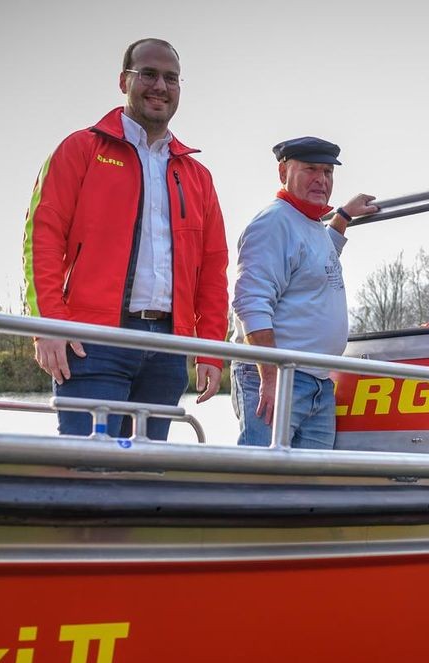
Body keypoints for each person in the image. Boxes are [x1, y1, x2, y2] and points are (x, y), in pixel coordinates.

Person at [23, 38, 228, 439]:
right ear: (124, 81)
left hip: (168, 352)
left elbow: (214, 270)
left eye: (171, 78)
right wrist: (48, 324)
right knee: (90, 472)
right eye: (148, 74)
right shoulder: (80, 150)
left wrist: (211, 350)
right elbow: (41, 238)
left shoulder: (196, 176)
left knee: (146, 480)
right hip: (93, 344)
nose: (160, 86)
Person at [230, 137, 378, 449]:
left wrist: (343, 218)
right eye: (311, 169)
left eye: (327, 172)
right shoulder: (274, 222)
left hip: (319, 382)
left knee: (311, 486)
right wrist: (270, 379)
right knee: (262, 479)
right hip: (279, 376)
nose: (321, 179)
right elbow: (251, 303)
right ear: (283, 172)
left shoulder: (310, 224)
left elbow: (318, 262)